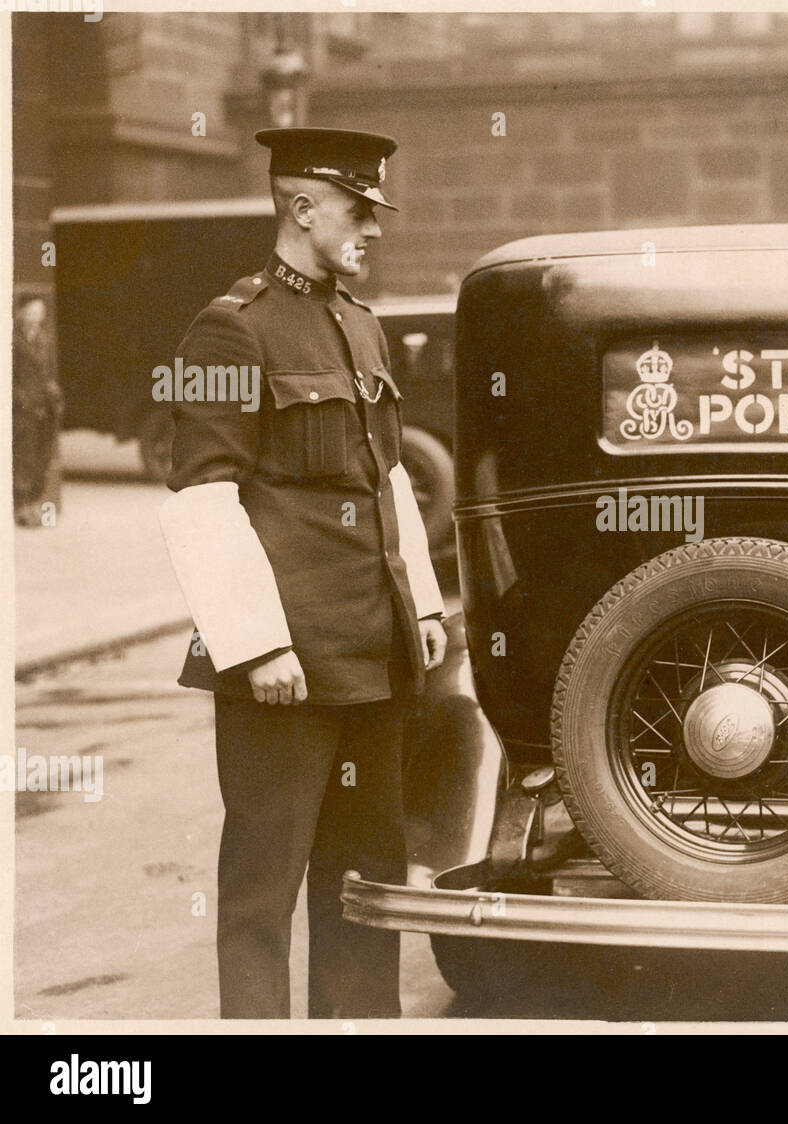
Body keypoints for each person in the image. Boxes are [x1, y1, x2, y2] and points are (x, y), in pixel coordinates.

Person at [158, 128, 446, 1019]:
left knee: (365, 887)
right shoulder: (229, 329)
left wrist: (423, 607)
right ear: (302, 207)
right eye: (361, 211)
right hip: (283, 668)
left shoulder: (362, 327)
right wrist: (256, 647)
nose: (375, 230)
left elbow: (388, 476)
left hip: (371, 650)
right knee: (261, 890)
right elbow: (203, 498)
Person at [12, 296, 61, 526]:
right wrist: (19, 396)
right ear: (21, 313)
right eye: (31, 312)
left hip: (45, 408)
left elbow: (48, 375)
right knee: (24, 457)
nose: (35, 317)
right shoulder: (12, 340)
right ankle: (22, 506)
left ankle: (33, 502)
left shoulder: (45, 340)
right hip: (22, 409)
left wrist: (54, 394)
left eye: (39, 312)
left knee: (41, 457)